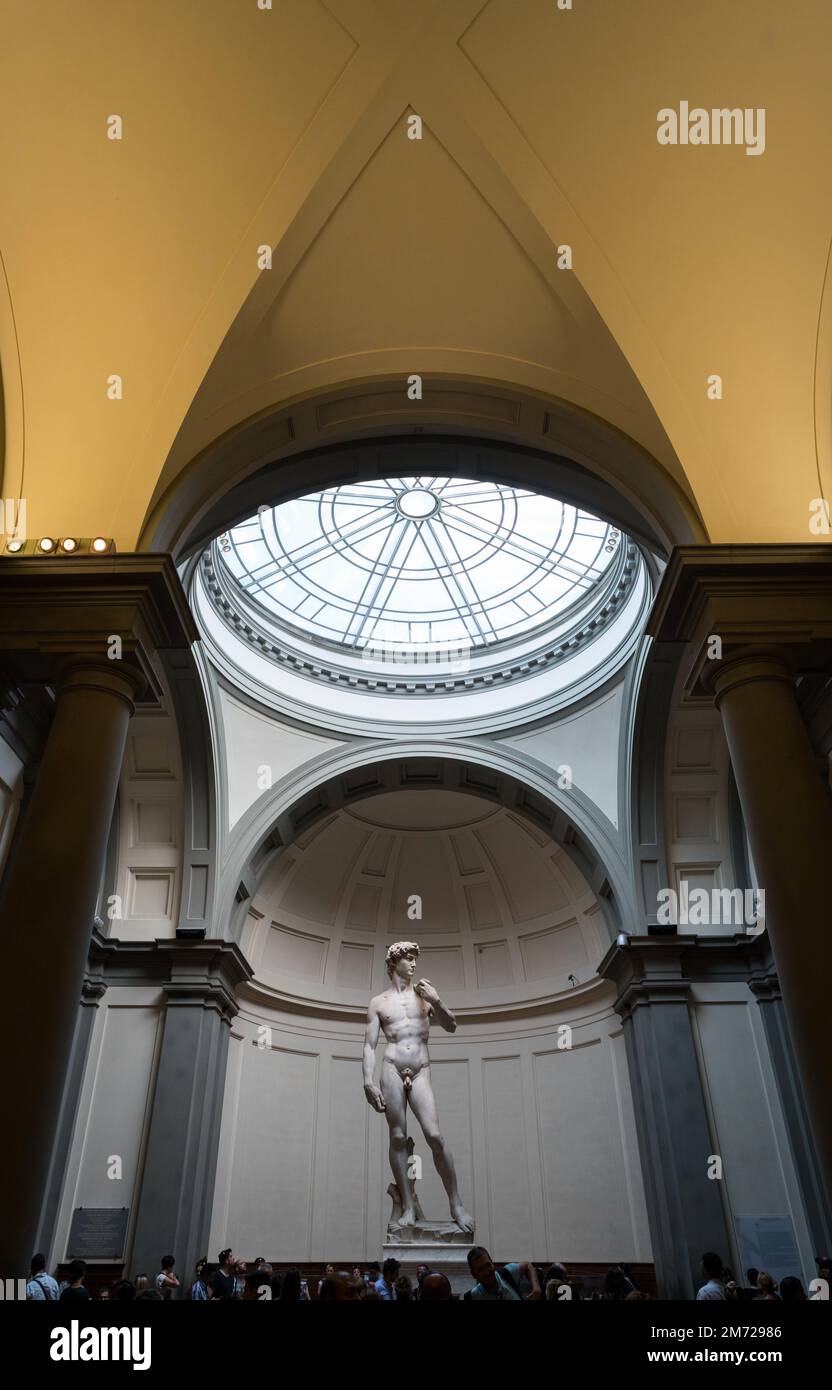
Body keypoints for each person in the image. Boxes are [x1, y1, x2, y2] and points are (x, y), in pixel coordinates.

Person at [363, 942, 474, 1235]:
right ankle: (409, 1205)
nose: (413, 964)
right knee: (398, 1137)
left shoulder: (424, 995)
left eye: (414, 959)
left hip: (421, 1069)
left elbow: (451, 1025)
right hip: (391, 1068)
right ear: (394, 963)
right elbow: (369, 1046)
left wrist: (437, 1000)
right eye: (408, 959)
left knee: (434, 1136)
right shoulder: (379, 1002)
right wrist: (367, 1081)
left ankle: (456, 1203)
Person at [467, 1247, 541, 1301]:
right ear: (473, 1274)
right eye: (480, 1269)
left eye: (488, 1265)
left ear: (492, 1263)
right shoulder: (472, 1297)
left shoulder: (507, 1273)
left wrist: (536, 1288)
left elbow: (527, 1265)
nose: (487, 1272)